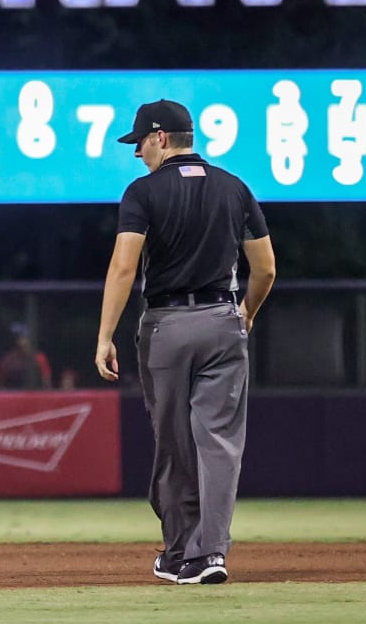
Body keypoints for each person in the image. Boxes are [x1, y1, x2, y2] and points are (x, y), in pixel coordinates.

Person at [94, 99, 276, 586]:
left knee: (174, 444)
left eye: (140, 144)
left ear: (160, 138)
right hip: (223, 320)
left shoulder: (143, 193)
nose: (137, 154)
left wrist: (105, 335)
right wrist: (245, 314)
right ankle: (209, 554)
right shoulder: (235, 188)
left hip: (167, 326)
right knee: (219, 445)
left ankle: (180, 552)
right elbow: (267, 268)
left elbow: (123, 267)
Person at [0, 322, 52, 390]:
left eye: (26, 338)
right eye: (21, 339)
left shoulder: (40, 358)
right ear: (17, 341)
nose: (24, 342)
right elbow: (0, 386)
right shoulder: (7, 360)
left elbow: (46, 384)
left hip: (35, 396)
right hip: (13, 397)